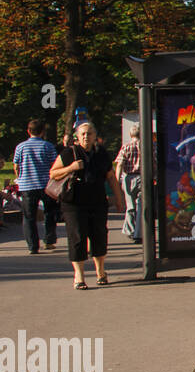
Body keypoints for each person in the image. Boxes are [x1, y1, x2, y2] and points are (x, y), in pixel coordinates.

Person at [48, 121, 124, 289]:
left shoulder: (101, 153)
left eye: (89, 133)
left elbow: (111, 177)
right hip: (73, 203)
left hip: (97, 201)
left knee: (99, 236)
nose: (86, 137)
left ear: (95, 136)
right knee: (77, 238)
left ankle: (100, 272)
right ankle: (79, 276)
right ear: (77, 136)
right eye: (82, 134)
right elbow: (53, 173)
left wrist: (119, 199)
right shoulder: (69, 153)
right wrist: (71, 168)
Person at [12, 119, 60, 254]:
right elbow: (54, 165)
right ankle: (49, 240)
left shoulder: (20, 147)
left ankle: (33, 246)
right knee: (49, 213)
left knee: (29, 216)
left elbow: (16, 165)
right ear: (43, 132)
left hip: (27, 185)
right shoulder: (48, 146)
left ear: (28, 131)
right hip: (46, 185)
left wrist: (20, 177)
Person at [115, 125, 143, 243]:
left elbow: (120, 165)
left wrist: (117, 182)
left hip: (128, 179)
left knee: (130, 206)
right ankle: (139, 233)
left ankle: (130, 230)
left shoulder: (126, 147)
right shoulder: (147, 146)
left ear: (130, 135)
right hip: (142, 178)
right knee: (141, 206)